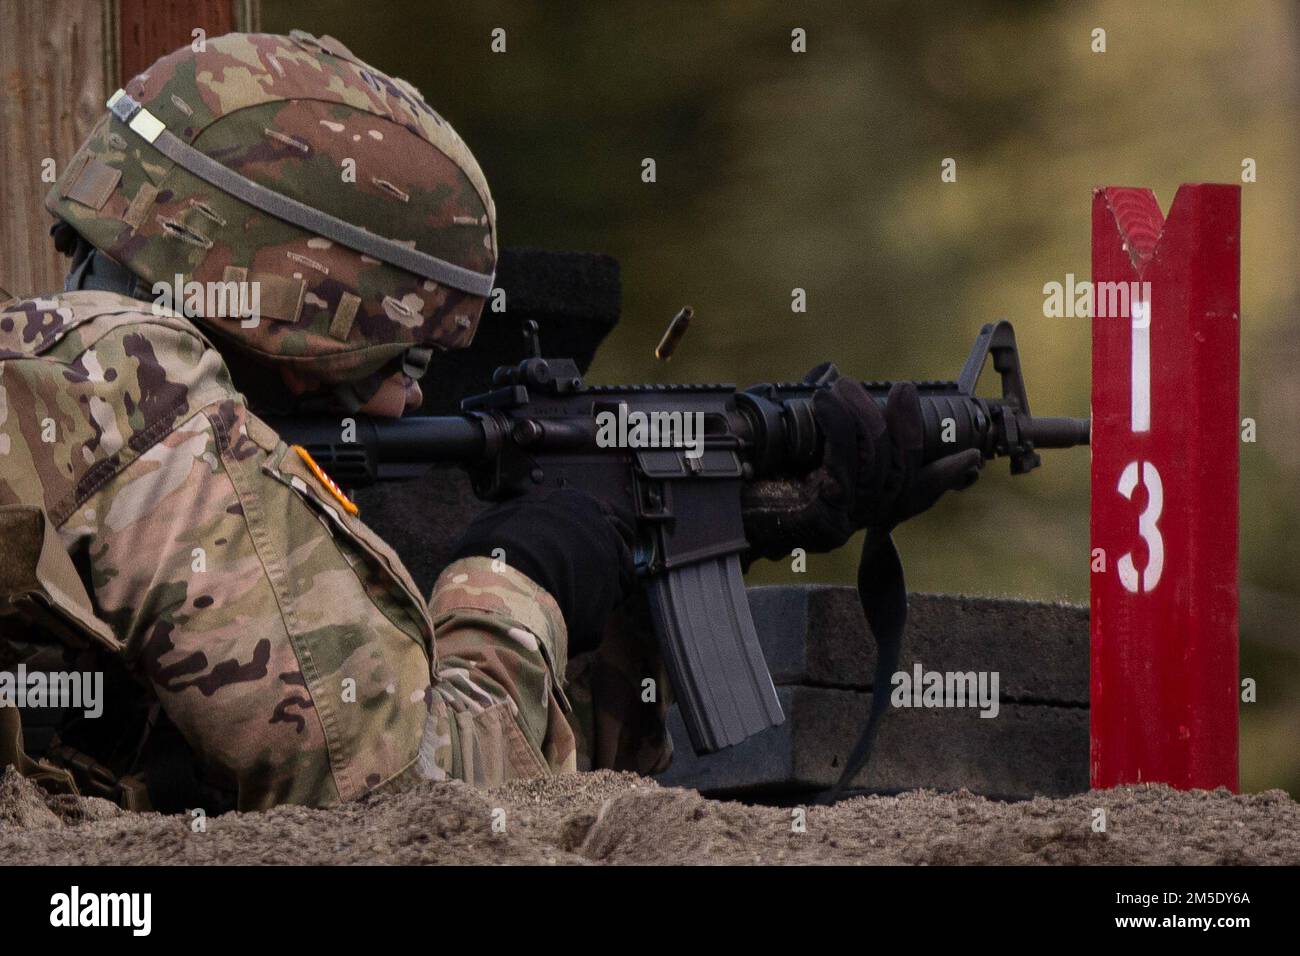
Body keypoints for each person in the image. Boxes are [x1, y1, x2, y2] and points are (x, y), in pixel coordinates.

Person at [0, 31, 978, 812]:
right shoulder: (130, 374)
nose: (412, 400)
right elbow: (406, 804)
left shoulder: (65, 385)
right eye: (408, 354)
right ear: (303, 299)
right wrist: (520, 575)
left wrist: (677, 537)